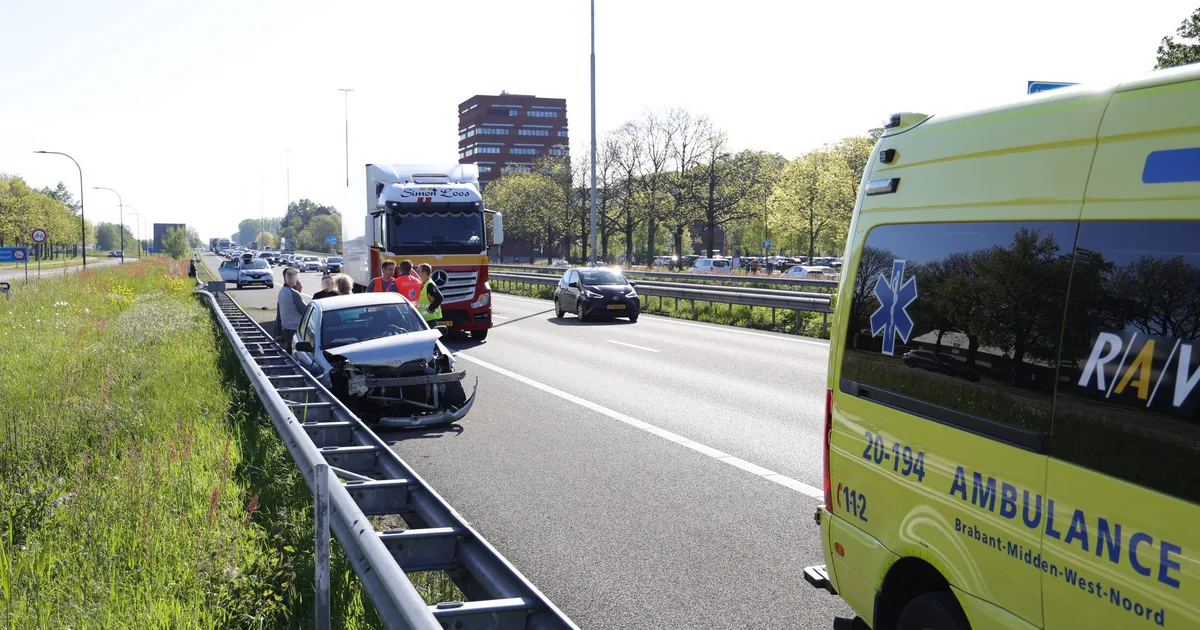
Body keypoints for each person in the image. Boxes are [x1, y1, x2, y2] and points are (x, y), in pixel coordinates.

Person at [274, 268, 306, 353]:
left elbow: (279, 314)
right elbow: (305, 312)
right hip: (295, 329)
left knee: (289, 353)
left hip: (286, 329)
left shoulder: (282, 292)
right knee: (299, 354)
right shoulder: (294, 294)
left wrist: (278, 333)